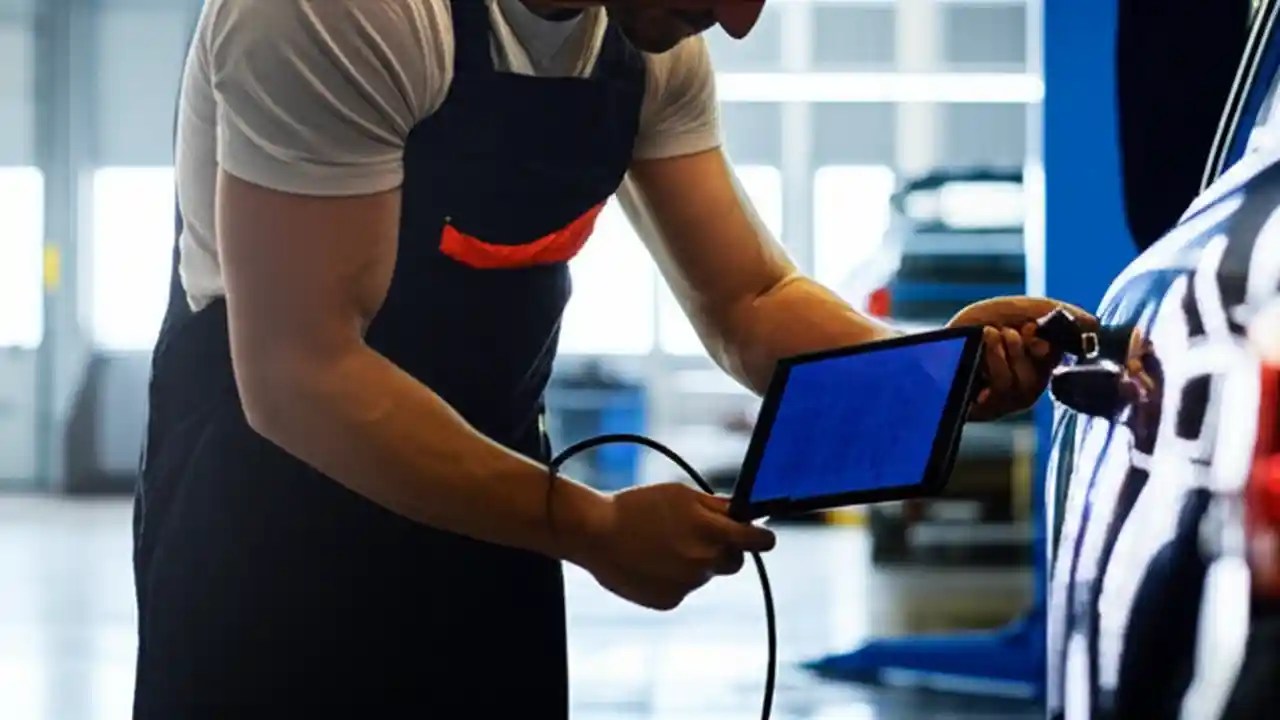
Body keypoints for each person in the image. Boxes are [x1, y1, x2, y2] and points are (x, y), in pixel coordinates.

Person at [134, 0, 1082, 716]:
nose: (743, 21)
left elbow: (748, 301)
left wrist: (933, 370)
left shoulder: (647, 46)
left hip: (491, 485)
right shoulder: (350, 15)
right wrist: (586, 525)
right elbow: (304, 374)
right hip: (270, 503)